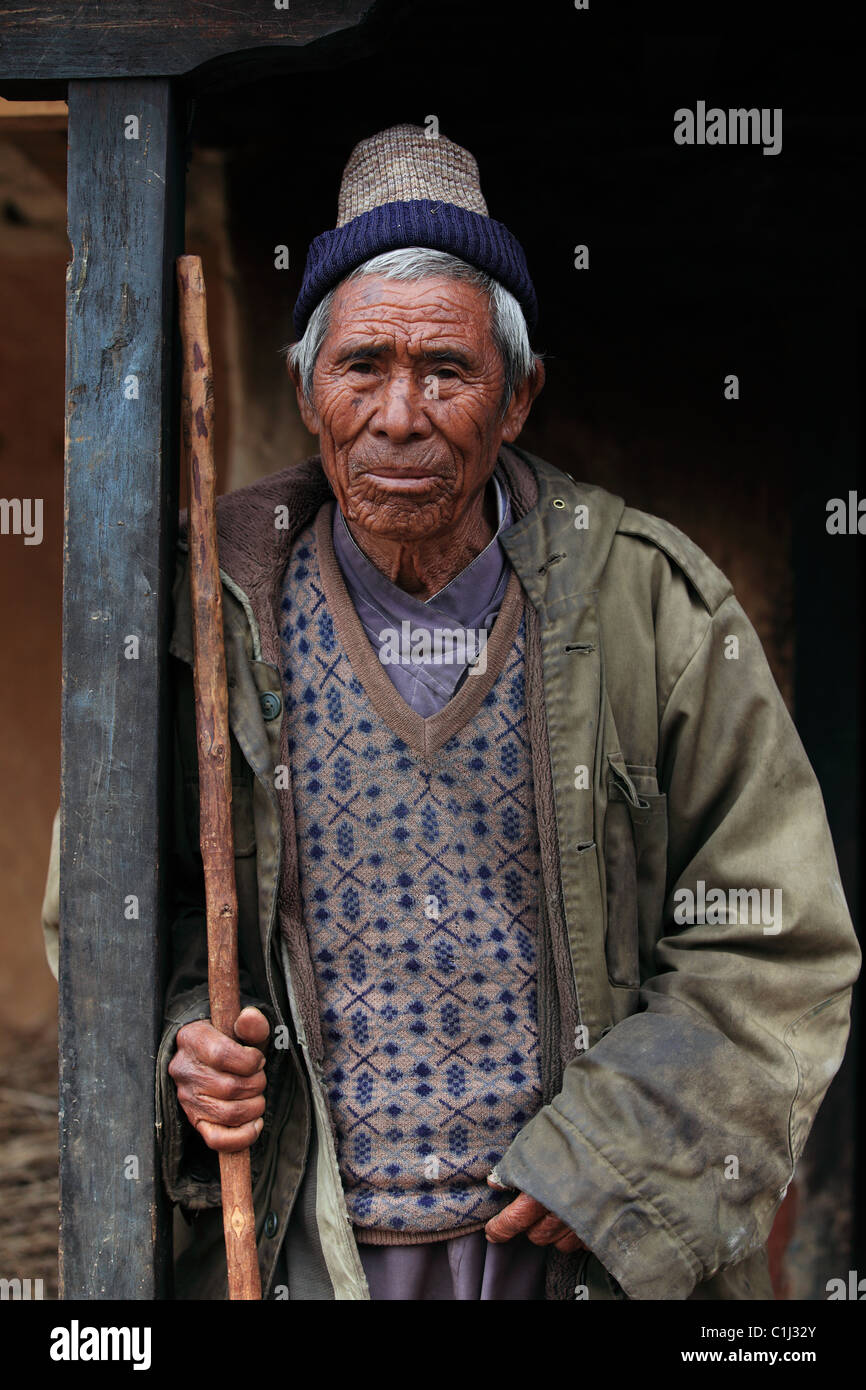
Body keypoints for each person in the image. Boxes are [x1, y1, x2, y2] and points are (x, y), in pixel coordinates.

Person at [43, 124, 860, 1301]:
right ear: (304, 391)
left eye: (447, 372)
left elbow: (775, 936)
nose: (398, 415)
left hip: (579, 1252)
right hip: (299, 1249)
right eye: (361, 365)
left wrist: (617, 1159)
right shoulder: (205, 625)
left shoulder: (651, 606)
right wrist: (187, 1029)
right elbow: (113, 905)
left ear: (518, 397)